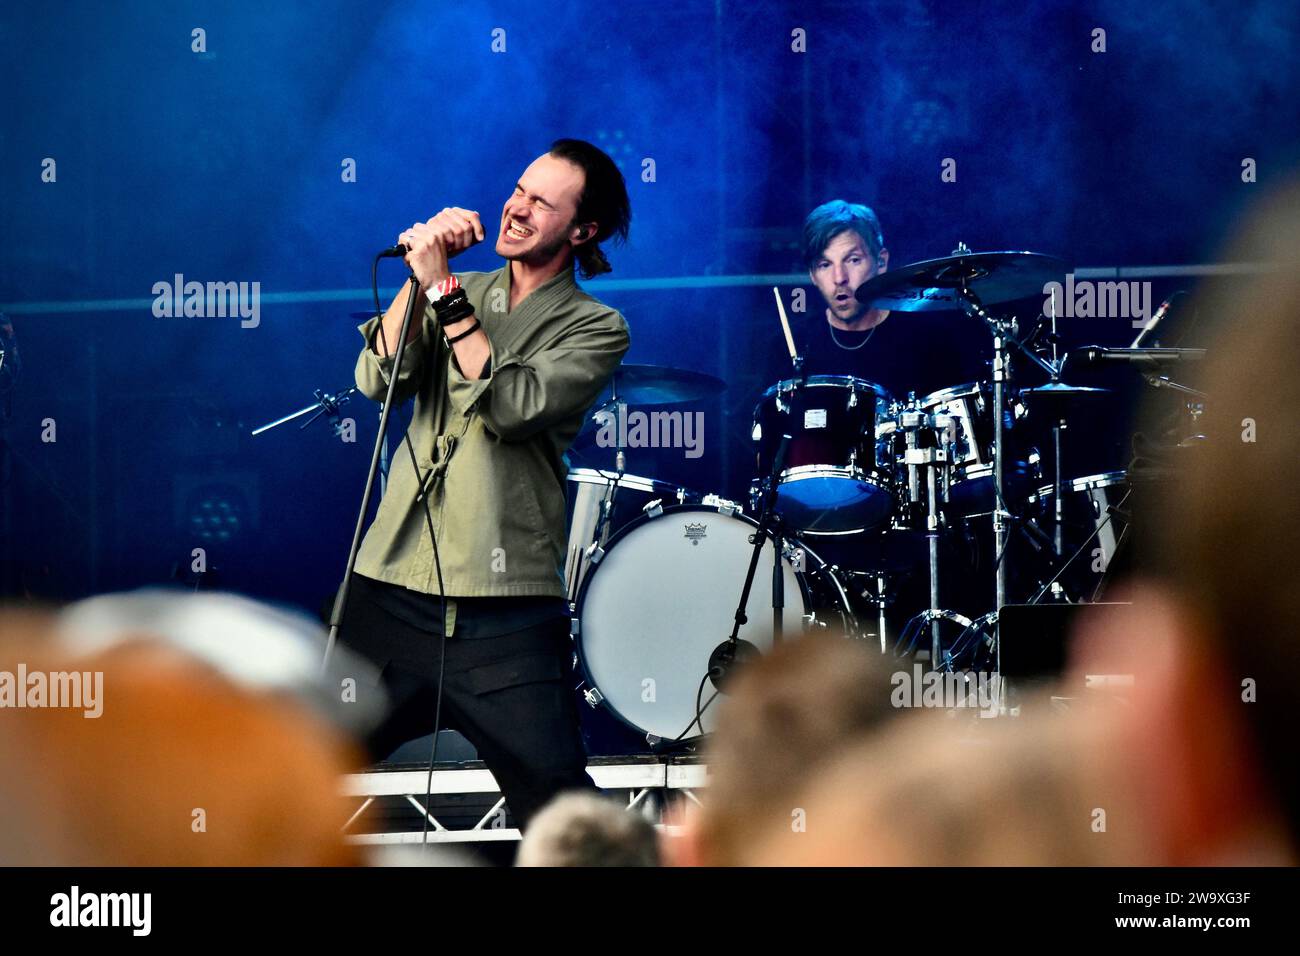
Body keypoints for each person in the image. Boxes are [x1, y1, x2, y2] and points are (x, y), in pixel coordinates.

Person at [337, 139, 632, 829]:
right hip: (392, 586)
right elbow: (376, 380)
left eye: (542, 201)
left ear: (582, 231)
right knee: (298, 757)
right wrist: (420, 279)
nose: (517, 207)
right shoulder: (457, 292)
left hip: (503, 612)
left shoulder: (596, 327)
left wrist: (442, 290)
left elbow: (511, 406)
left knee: (560, 810)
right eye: (520, 189)